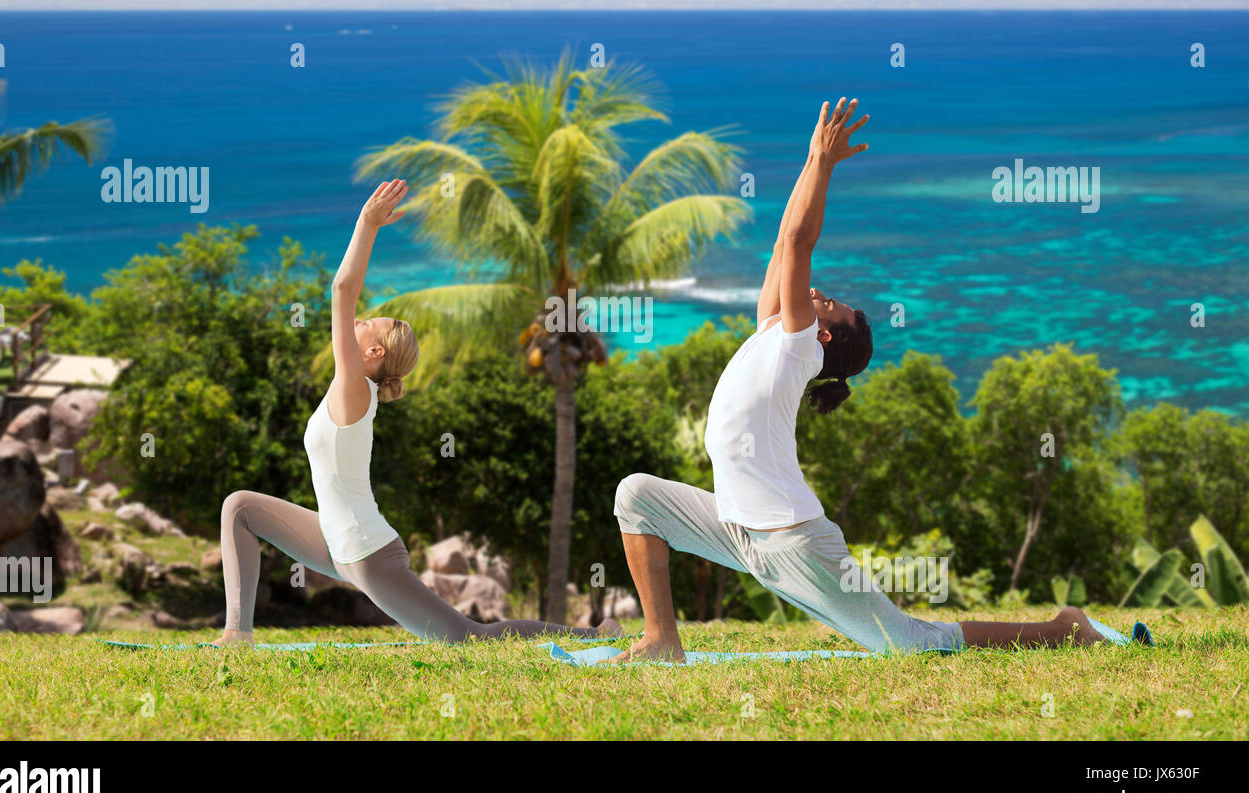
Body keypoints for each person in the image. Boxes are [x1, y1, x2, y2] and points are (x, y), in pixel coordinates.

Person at [608, 98, 1103, 663]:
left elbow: (799, 244)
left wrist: (825, 164)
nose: (818, 294)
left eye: (830, 305)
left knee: (912, 644)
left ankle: (1064, 629)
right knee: (636, 495)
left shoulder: (797, 347)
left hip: (795, 543)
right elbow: (780, 247)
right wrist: (811, 159)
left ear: (825, 338)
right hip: (738, 529)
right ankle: (661, 640)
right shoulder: (777, 328)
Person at [209, 178, 619, 646]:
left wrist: (367, 224)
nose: (357, 321)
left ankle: (591, 634)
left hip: (368, 553)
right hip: (332, 543)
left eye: (367, 325)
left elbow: (341, 291)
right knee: (239, 507)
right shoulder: (348, 388)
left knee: (469, 639)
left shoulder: (353, 389)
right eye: (361, 319)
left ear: (374, 352)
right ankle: (236, 635)